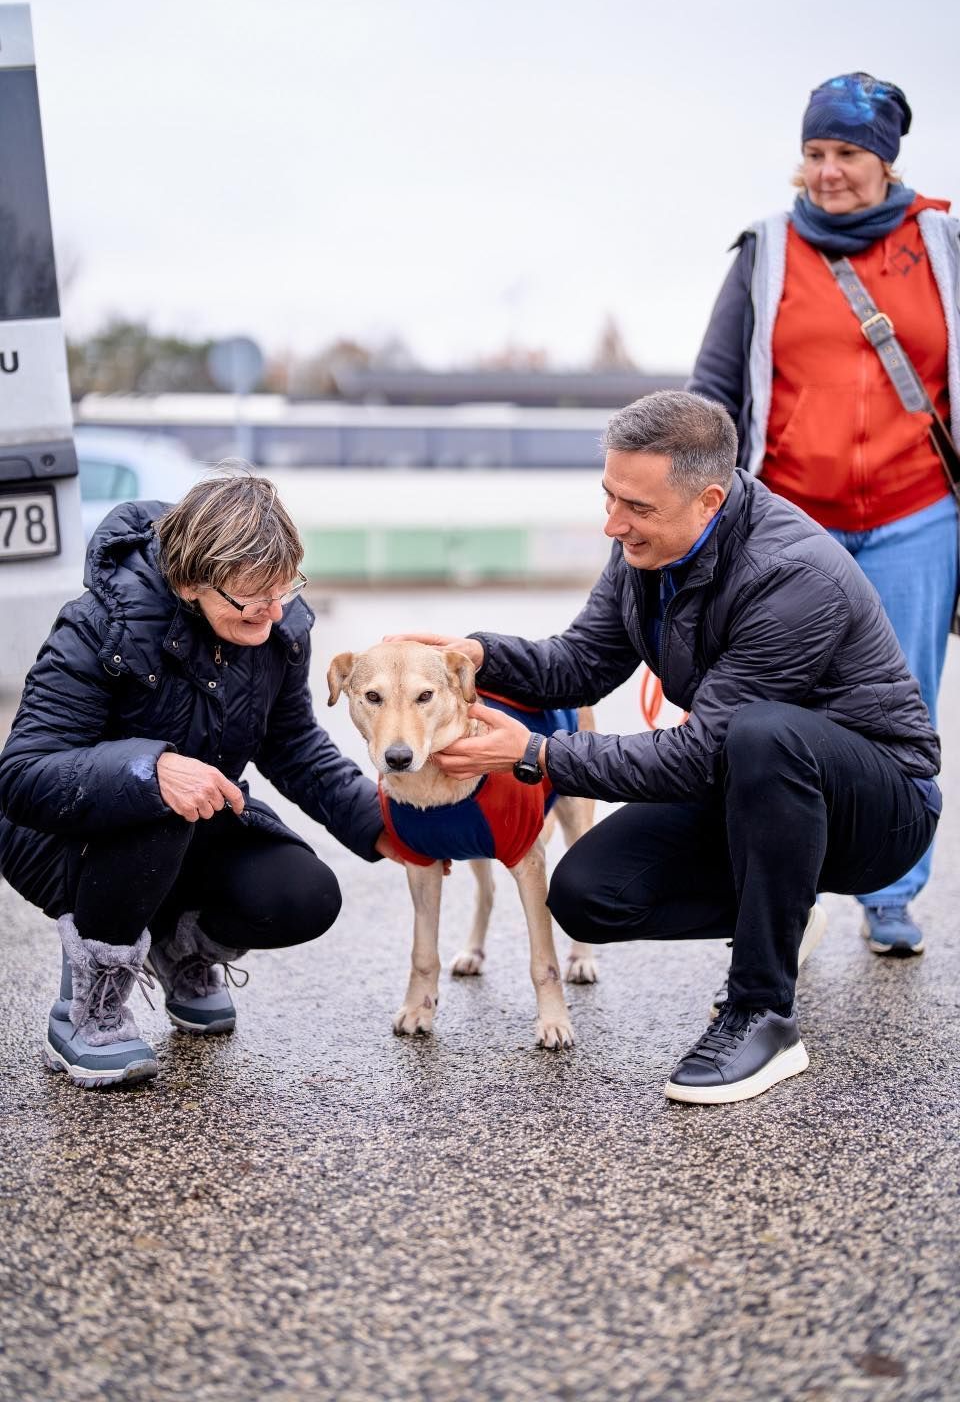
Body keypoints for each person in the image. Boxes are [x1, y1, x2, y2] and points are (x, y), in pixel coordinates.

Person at [396, 391, 941, 1105]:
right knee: (588, 896)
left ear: (708, 498)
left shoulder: (791, 575)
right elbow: (580, 664)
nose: (613, 522)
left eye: (637, 508)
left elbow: (699, 754)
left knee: (762, 732)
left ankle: (762, 1013)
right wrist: (480, 654)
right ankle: (782, 907)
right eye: (609, 496)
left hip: (879, 806)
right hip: (758, 795)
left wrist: (535, 755)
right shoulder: (646, 548)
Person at [0, 468, 396, 1089]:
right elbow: (22, 775)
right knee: (159, 805)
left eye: (284, 586)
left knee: (304, 895)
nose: (273, 610)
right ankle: (87, 1010)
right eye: (252, 595)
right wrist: (146, 769)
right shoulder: (98, 626)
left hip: (191, 822)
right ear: (189, 583)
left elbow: (291, 744)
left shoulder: (277, 629)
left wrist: (382, 823)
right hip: (68, 836)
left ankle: (178, 948)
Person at [688, 70, 959, 957]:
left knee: (899, 705)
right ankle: (784, 887)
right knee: (775, 702)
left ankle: (890, 891)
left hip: (917, 513)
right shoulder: (766, 249)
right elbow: (714, 393)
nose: (828, 171)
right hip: (791, 520)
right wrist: (700, 511)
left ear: (885, 159)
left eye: (847, 152)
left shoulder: (943, 245)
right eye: (814, 153)